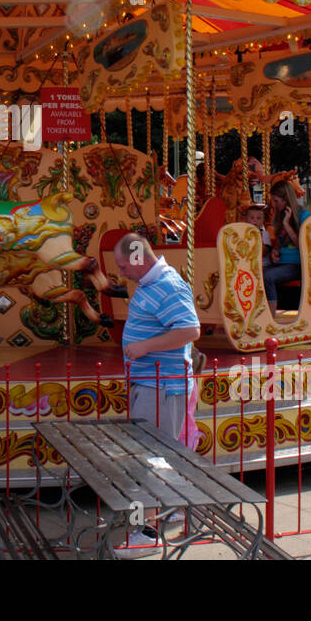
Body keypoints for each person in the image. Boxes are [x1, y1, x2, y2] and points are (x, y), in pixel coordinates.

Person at [111, 232, 201, 555]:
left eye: (123, 266)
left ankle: (146, 532)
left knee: (145, 459)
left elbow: (191, 329)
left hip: (161, 387)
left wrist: (145, 346)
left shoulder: (167, 285)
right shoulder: (152, 285)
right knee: (154, 456)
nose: (121, 273)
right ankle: (168, 507)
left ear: (137, 257)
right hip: (153, 384)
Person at [263, 179, 309, 306]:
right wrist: (275, 251)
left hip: (297, 264)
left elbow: (303, 245)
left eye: (276, 201)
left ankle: (271, 313)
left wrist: (287, 225)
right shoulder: (277, 216)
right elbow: (278, 241)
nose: (273, 204)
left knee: (267, 276)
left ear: (286, 199)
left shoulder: (304, 216)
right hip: (282, 263)